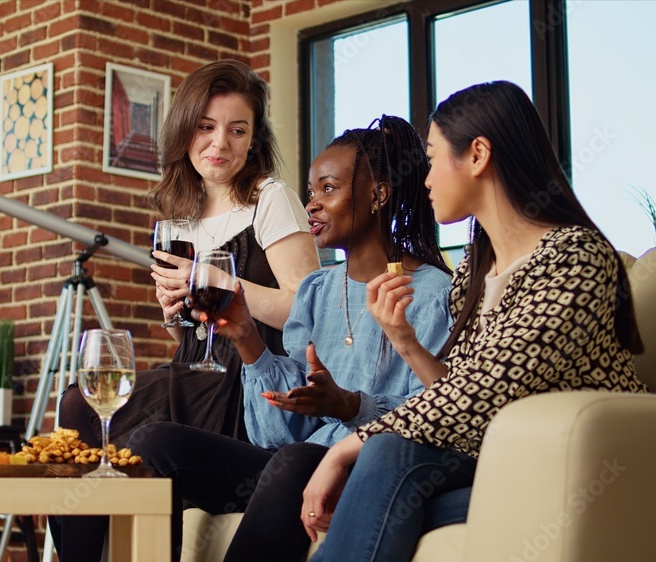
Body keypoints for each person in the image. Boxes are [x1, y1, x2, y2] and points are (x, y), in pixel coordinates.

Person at [302, 81, 648, 562]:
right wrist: (405, 341)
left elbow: (486, 391)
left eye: (432, 159)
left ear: (478, 155)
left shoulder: (575, 258)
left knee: (384, 461)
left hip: (578, 473)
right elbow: (459, 387)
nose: (424, 180)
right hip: (493, 462)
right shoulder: (475, 269)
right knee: (382, 489)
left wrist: (346, 448)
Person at [128, 115, 455, 562]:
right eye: (311, 191)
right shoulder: (317, 290)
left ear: (378, 195)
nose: (311, 205)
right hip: (293, 463)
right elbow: (276, 434)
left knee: (298, 458)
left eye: (328, 189)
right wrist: (247, 340)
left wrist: (351, 406)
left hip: (363, 469)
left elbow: (436, 413)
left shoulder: (431, 294)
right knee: (153, 442)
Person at [51, 59, 319, 562]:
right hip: (195, 372)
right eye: (206, 127)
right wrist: (173, 312)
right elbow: (189, 338)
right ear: (184, 131)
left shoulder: (271, 199)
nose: (220, 143)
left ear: (254, 139)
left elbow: (306, 312)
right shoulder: (180, 214)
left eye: (237, 130)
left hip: (247, 384)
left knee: (93, 412)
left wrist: (218, 281)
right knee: (76, 404)